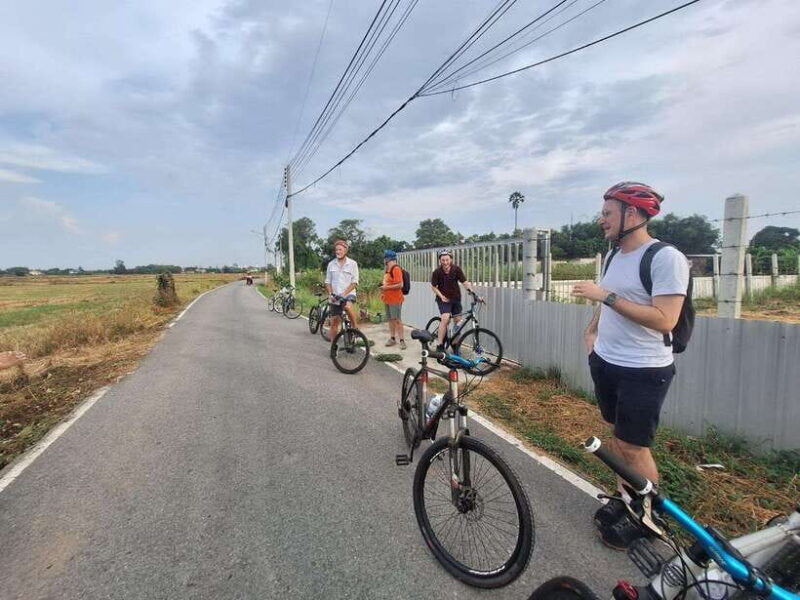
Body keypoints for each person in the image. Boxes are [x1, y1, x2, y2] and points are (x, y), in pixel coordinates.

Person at [572, 181, 689, 550]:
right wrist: (592, 335)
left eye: (607, 213)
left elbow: (665, 319)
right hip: (607, 361)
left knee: (634, 446)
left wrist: (605, 295)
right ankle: (629, 501)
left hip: (644, 369)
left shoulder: (665, 258)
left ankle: (649, 517)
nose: (601, 220)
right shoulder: (614, 256)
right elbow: (606, 305)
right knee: (618, 437)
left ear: (632, 214)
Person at [430, 248, 478, 351]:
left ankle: (455, 343)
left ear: (451, 259)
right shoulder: (437, 272)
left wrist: (473, 293)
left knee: (458, 321)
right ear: (440, 260)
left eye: (447, 260)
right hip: (444, 300)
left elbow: (465, 282)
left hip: (455, 299)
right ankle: (440, 344)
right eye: (443, 260)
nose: (445, 262)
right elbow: (434, 287)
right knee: (446, 318)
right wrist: (441, 296)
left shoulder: (456, 269)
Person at [325, 239, 359, 340]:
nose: (338, 252)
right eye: (336, 250)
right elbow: (327, 282)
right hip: (335, 296)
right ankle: (333, 346)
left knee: (348, 307)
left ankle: (355, 328)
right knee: (334, 322)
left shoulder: (353, 264)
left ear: (345, 250)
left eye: (340, 250)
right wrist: (330, 293)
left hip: (349, 293)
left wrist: (344, 294)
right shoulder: (331, 264)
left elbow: (354, 282)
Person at [380, 250, 406, 350]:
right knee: (391, 319)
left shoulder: (396, 269)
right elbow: (387, 282)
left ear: (388, 259)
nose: (385, 260)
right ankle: (392, 338)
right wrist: (383, 291)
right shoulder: (387, 269)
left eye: (385, 258)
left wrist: (386, 288)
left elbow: (400, 285)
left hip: (395, 299)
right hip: (388, 299)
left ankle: (402, 340)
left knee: (397, 320)